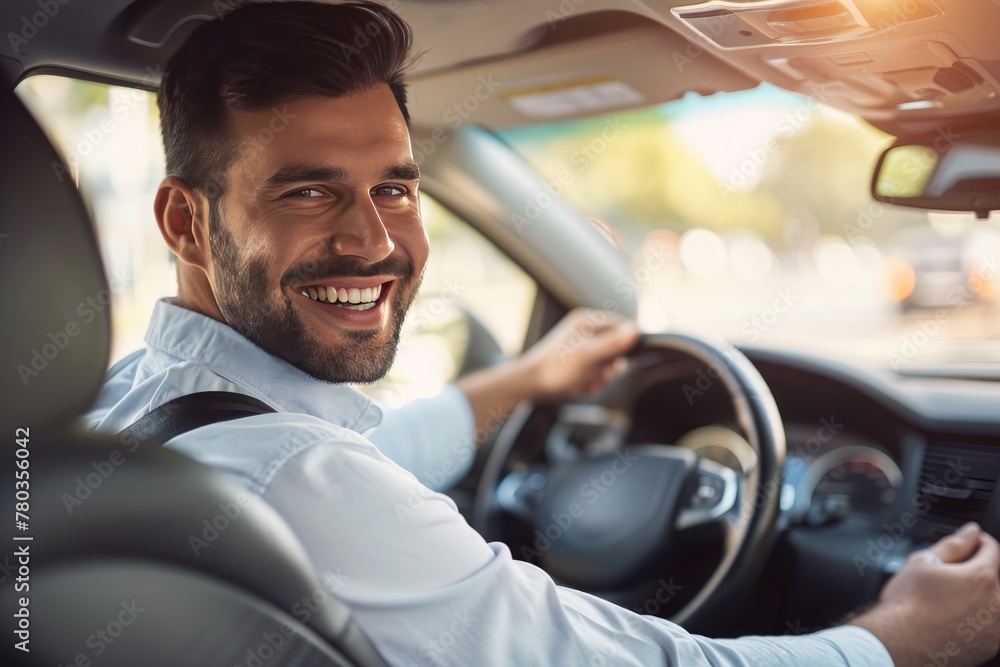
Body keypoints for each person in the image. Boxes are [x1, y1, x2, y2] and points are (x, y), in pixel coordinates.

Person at [86, 2, 1000, 665]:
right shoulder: (309, 486)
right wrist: (899, 638)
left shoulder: (136, 396)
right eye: (309, 190)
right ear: (183, 222)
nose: (373, 240)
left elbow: (347, 453)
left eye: (395, 188)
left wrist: (521, 382)